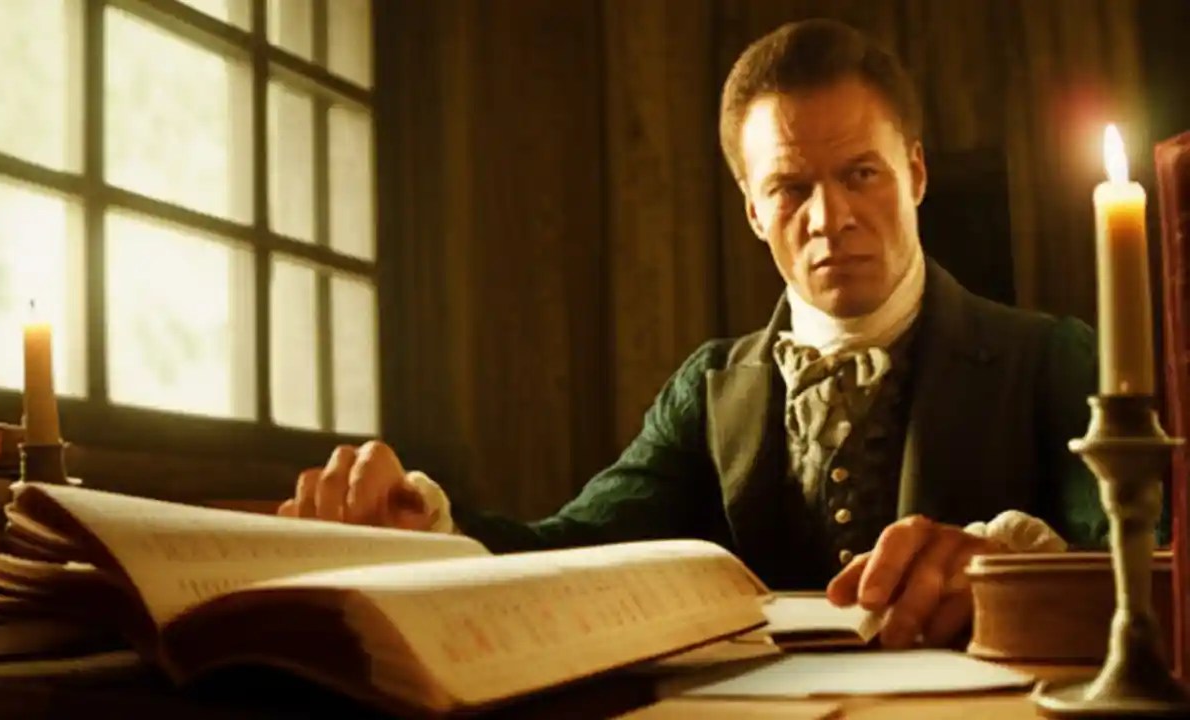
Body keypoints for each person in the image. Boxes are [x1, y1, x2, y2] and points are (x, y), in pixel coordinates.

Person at [278, 19, 1106, 650]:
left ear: (915, 173)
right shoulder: (708, 387)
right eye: (789, 189)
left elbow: (1142, 556)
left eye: (861, 173)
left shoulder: (1048, 357)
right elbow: (569, 550)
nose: (830, 218)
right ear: (752, 210)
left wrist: (1011, 566)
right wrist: (424, 526)